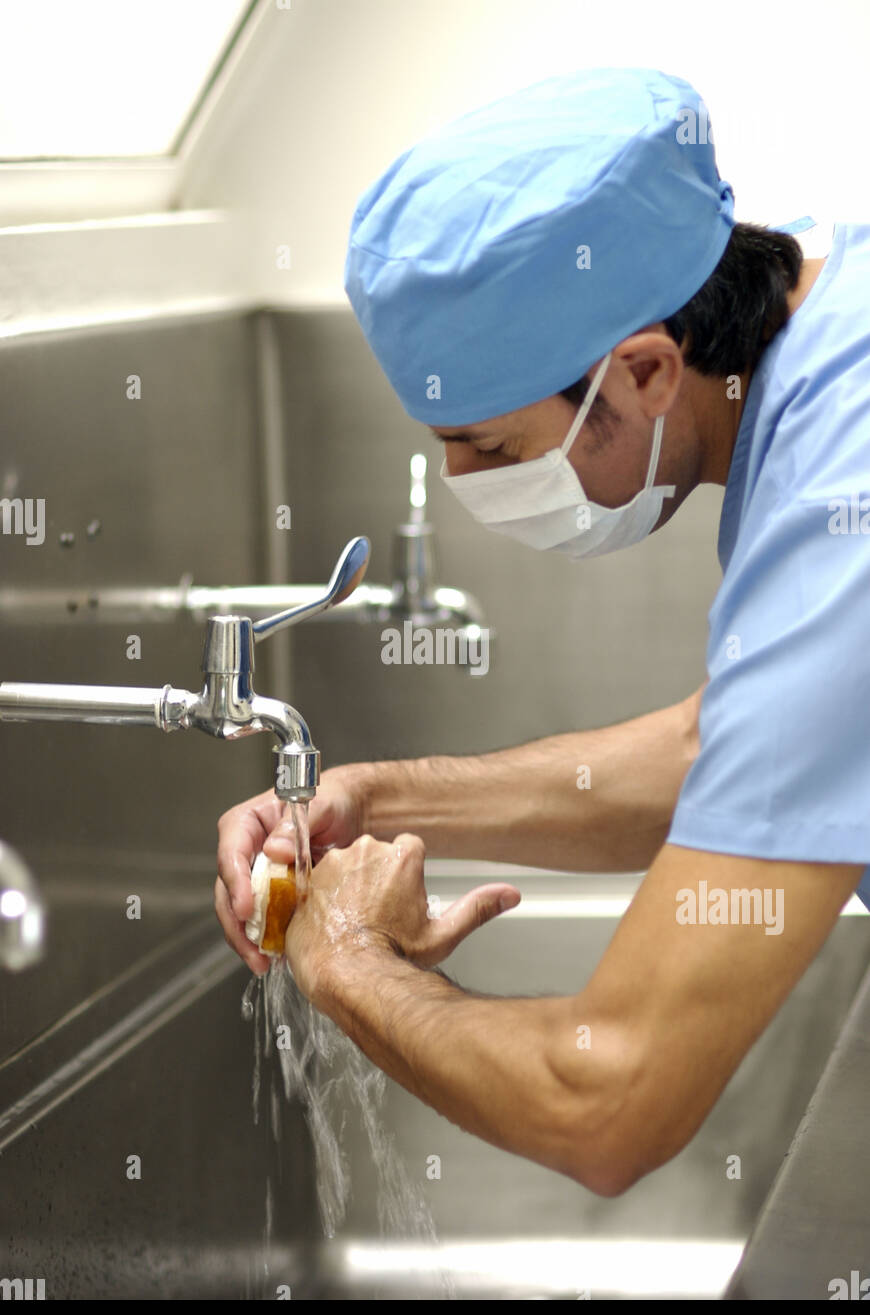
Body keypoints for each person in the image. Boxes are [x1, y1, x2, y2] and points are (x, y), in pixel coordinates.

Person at [214, 69, 870, 1195]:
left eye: (496, 450)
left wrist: (345, 959)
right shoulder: (825, 322)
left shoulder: (843, 499)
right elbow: (729, 751)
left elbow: (609, 1098)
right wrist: (372, 797)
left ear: (649, 369)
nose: (468, 486)